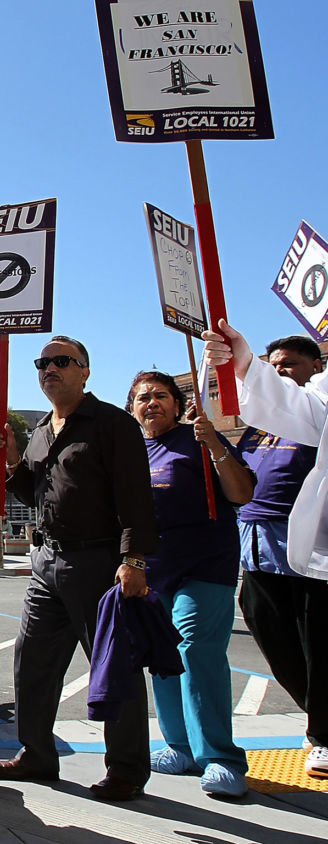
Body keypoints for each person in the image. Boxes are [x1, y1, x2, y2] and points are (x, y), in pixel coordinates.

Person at [0, 335, 156, 801]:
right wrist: (15, 458)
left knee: (113, 665)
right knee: (33, 662)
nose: (50, 369)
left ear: (85, 371)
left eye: (62, 361)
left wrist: (133, 560)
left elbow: (136, 499)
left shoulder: (112, 424)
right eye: (43, 362)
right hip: (47, 561)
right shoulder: (42, 428)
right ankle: (37, 755)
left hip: (99, 561)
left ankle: (125, 769)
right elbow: (33, 496)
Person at [204, 323, 328, 779]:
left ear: (317, 367)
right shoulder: (260, 427)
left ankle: (322, 735)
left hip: (311, 546)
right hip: (257, 544)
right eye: (272, 366)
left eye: (289, 365)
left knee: (318, 643)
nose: (280, 372)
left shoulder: (316, 412)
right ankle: (321, 721)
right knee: (275, 639)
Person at [126, 370, 253, 797]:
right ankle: (178, 745)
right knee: (161, 655)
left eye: (161, 396)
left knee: (195, 648)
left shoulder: (199, 440)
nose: (152, 403)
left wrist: (214, 442)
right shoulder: (129, 452)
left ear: (177, 405)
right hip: (152, 569)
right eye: (143, 397)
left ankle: (220, 757)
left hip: (205, 565)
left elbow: (241, 494)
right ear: (132, 408)